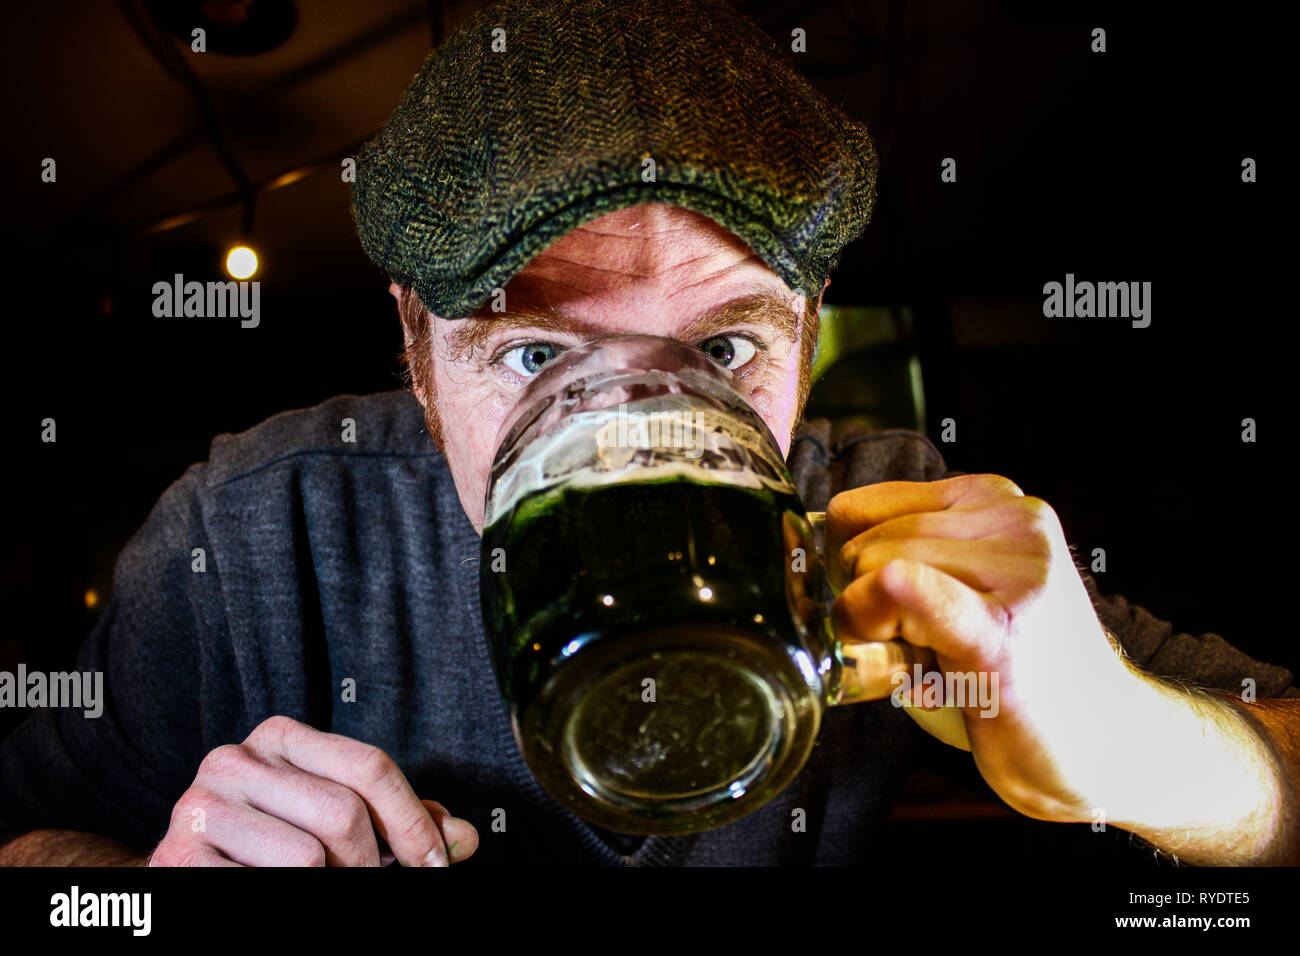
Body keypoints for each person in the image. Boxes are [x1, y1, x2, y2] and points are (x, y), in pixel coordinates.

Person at [1, 0, 1296, 867]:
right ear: (415, 346)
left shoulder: (892, 528)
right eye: (535, 355)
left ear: (810, 333)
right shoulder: (252, 530)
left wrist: (1133, 742)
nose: (635, 429)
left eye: (723, 351)